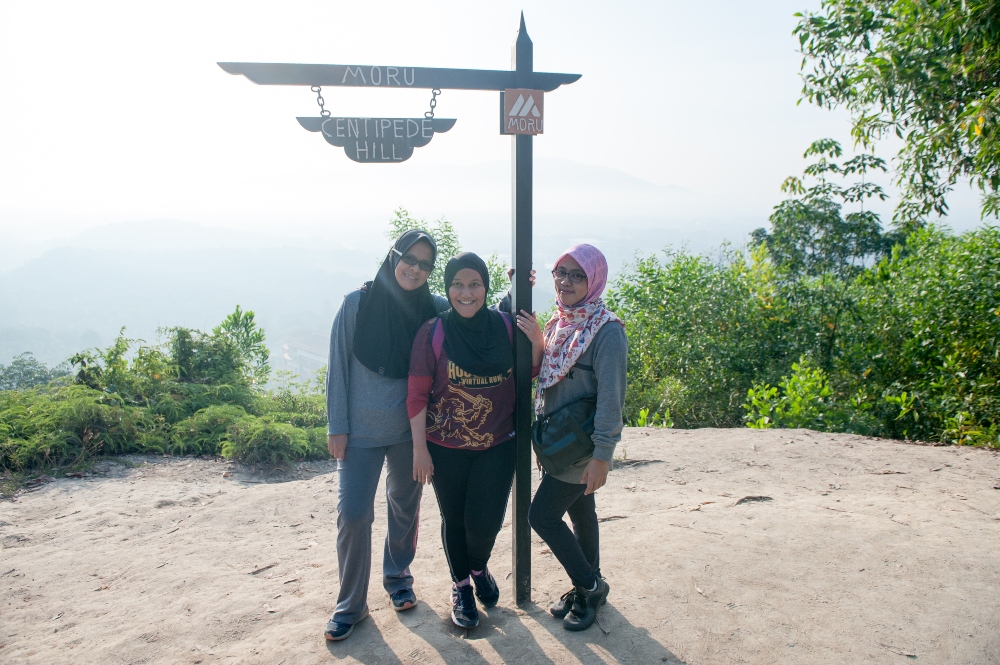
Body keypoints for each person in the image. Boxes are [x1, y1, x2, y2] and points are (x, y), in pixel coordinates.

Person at [323, 230, 450, 642]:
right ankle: (350, 605)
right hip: (359, 432)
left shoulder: (434, 309)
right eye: (409, 258)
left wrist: (517, 292)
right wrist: (337, 425)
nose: (415, 268)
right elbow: (337, 365)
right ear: (393, 256)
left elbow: (473, 310)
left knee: (404, 507)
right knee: (353, 514)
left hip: (408, 432)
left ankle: (397, 578)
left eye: (425, 264)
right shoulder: (356, 303)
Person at [406, 252, 543, 629]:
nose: (466, 293)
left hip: (498, 445)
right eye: (458, 284)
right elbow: (416, 394)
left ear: (485, 287)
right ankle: (462, 585)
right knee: (455, 519)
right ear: (447, 287)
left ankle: (479, 567)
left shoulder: (505, 327)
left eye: (475, 284)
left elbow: (530, 371)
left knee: (485, 524)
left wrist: (536, 339)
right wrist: (419, 449)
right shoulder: (432, 332)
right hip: (445, 447)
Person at [526, 243, 627, 632]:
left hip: (582, 449)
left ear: (594, 280)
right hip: (560, 444)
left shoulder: (606, 331)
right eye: (561, 273)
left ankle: (590, 586)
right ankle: (587, 587)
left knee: (541, 516)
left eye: (577, 275)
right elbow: (547, 379)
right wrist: (537, 342)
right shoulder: (560, 322)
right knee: (582, 513)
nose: (565, 282)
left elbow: (611, 399)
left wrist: (603, 455)